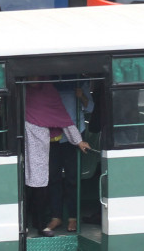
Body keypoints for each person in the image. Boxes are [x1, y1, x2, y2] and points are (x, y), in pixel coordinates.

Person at [23, 78, 91, 236]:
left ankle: (49, 223)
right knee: (37, 183)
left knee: (48, 182)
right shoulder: (23, 92)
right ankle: (38, 221)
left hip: (47, 143)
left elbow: (63, 118)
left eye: (36, 75)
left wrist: (78, 141)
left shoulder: (51, 92)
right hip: (26, 145)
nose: (33, 78)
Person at [48, 79, 94, 233]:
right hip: (53, 134)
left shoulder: (79, 81)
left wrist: (81, 96)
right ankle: (56, 216)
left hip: (74, 136)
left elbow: (90, 107)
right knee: (52, 177)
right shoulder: (49, 82)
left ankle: (72, 218)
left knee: (72, 178)